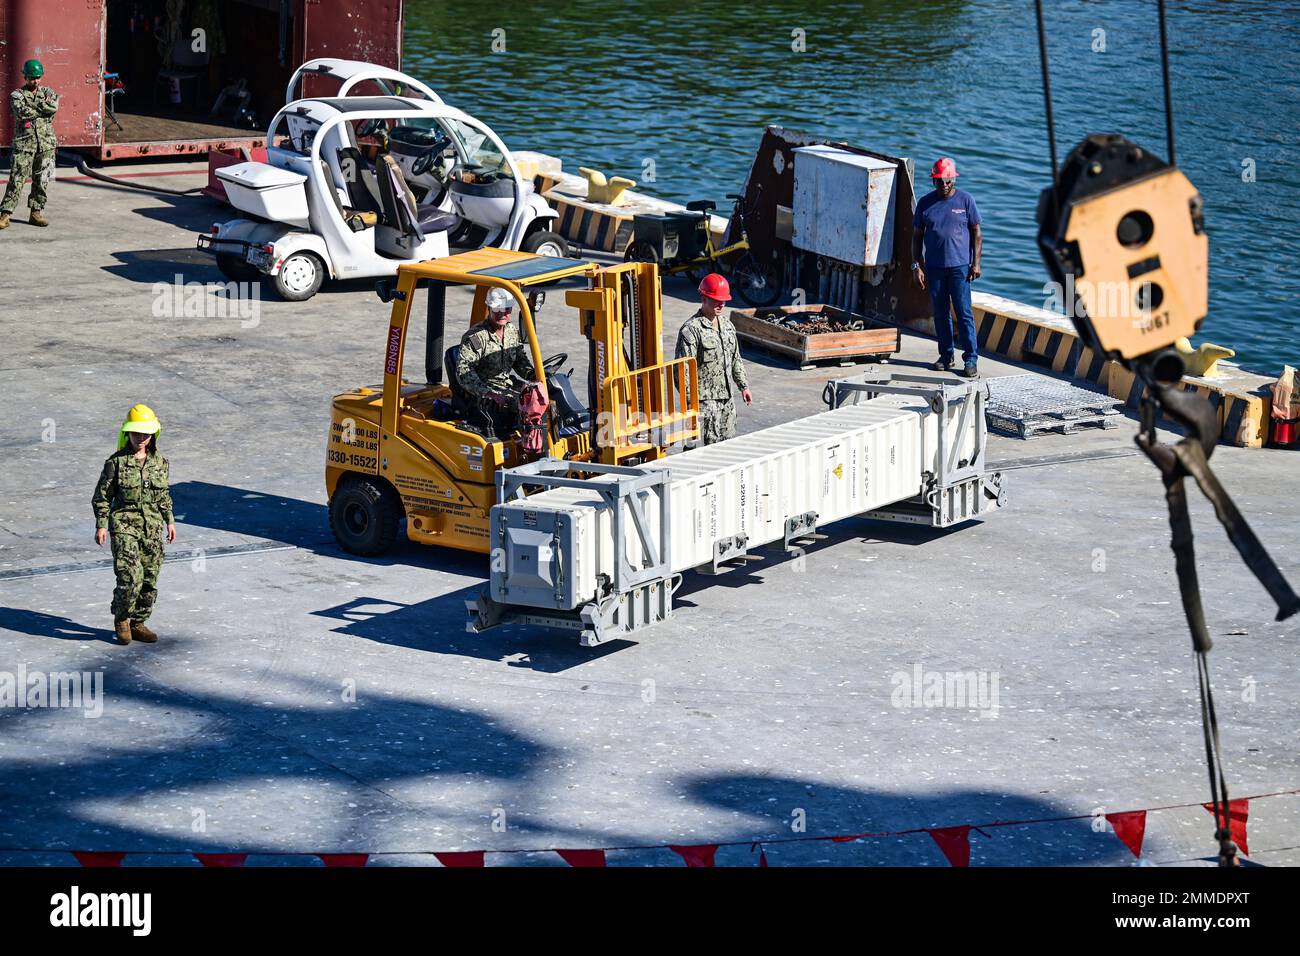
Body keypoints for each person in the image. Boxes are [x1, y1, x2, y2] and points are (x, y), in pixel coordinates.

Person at [92, 405, 176, 646]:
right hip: (124, 526)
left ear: (153, 435)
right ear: (127, 433)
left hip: (152, 528)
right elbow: (102, 496)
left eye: (146, 434)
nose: (141, 438)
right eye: (136, 433)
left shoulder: (160, 463)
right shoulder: (115, 463)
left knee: (150, 579)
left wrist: (170, 520)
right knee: (130, 578)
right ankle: (121, 619)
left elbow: (164, 495)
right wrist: (101, 525)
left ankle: (138, 622)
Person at [912, 157, 983, 377]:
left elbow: (977, 234)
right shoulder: (925, 203)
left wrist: (976, 263)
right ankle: (946, 355)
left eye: (948, 181)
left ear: (954, 179)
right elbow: (916, 237)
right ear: (933, 181)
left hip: (960, 268)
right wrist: (917, 265)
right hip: (934, 268)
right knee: (941, 314)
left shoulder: (966, 201)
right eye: (939, 181)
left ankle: (970, 359)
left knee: (963, 313)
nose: (944, 185)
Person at [675, 273, 752, 445]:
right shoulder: (691, 330)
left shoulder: (728, 326)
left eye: (723, 300)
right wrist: (690, 401)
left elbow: (735, 359)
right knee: (699, 453)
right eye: (716, 300)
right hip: (703, 402)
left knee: (726, 447)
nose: (721, 304)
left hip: (726, 400)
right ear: (704, 298)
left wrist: (743, 386)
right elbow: (682, 369)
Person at [455, 286, 536, 438]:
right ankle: (530, 444)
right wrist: (489, 393)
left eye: (506, 309)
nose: (502, 314)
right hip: (484, 391)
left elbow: (520, 359)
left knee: (541, 395)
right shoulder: (476, 336)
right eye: (497, 309)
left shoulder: (511, 331)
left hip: (506, 384)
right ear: (489, 308)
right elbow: (463, 372)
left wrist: (533, 375)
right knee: (525, 404)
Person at [0, 59, 58, 230]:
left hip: (46, 144)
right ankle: (5, 214)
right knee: (16, 179)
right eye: (32, 78)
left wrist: (36, 108)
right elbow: (22, 112)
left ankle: (36, 213)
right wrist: (42, 108)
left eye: (38, 77)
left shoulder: (49, 92)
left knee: (42, 180)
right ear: (25, 77)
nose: (36, 81)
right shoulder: (16, 95)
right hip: (24, 144)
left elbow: (53, 107)